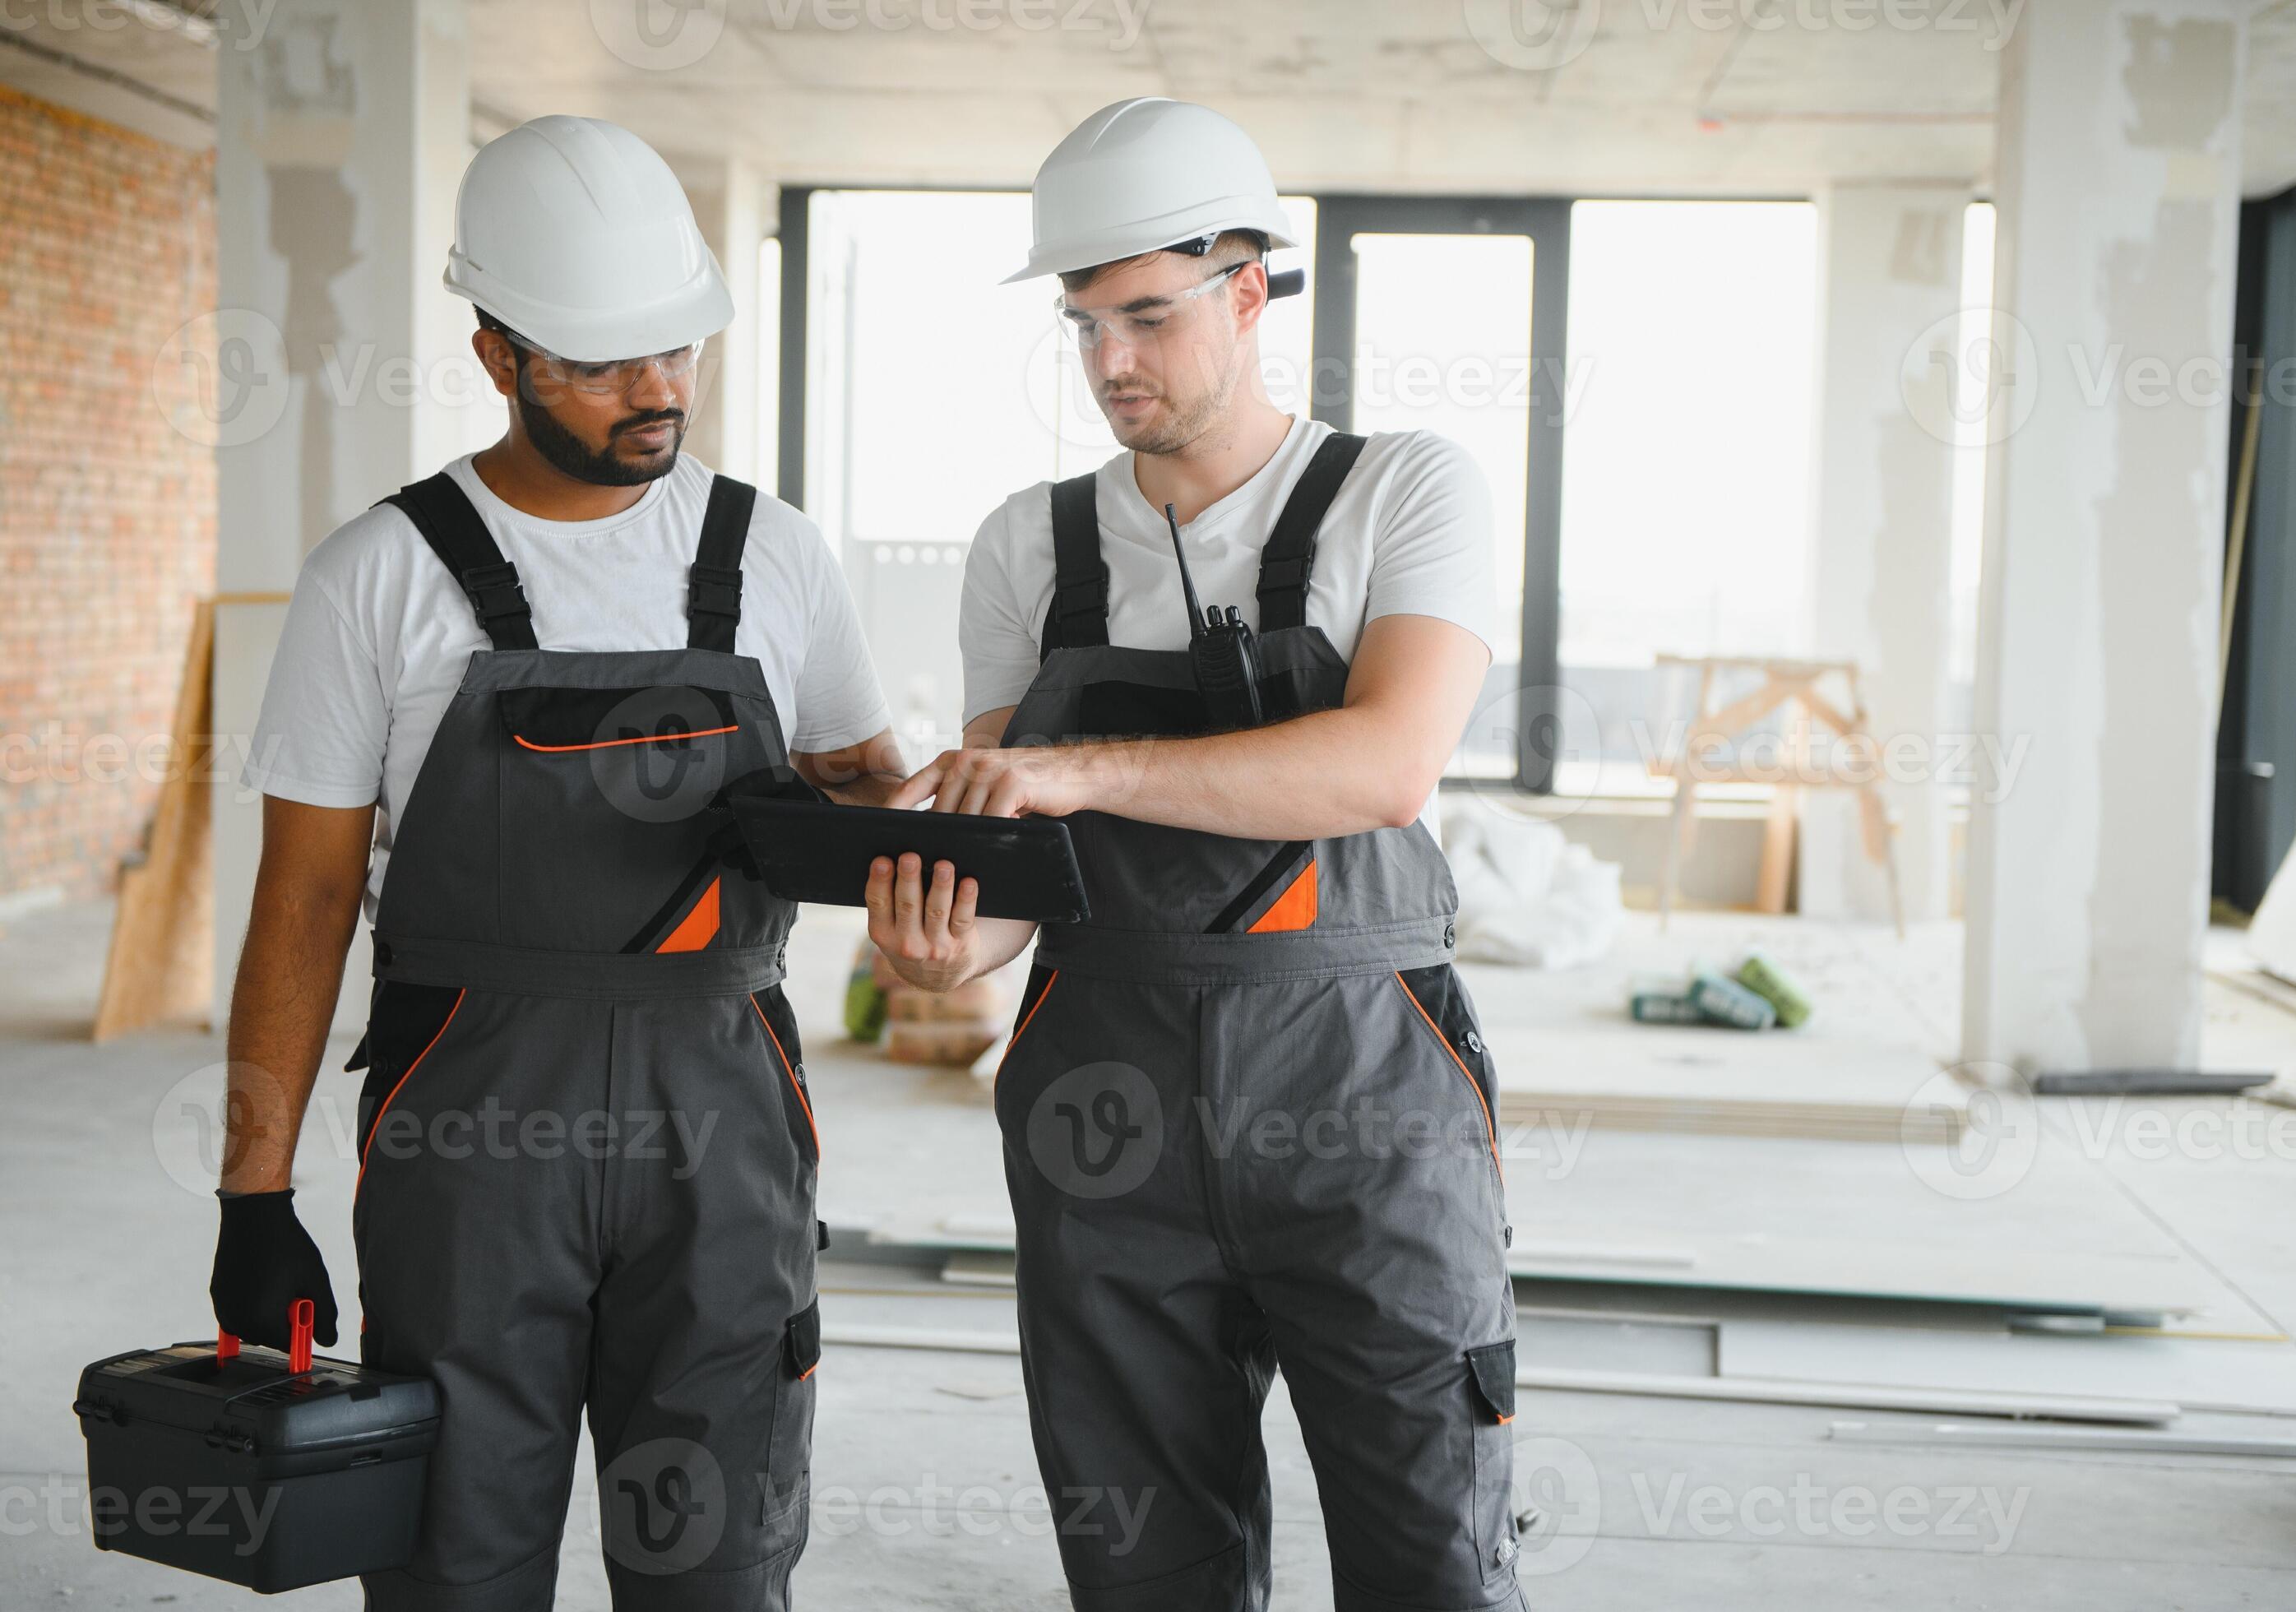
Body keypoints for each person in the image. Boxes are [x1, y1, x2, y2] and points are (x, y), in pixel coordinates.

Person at [211, 115, 897, 1610]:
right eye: (602, 362)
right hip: (467, 1126)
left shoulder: (774, 554)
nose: (657, 393)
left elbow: (863, 783)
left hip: (721, 1116)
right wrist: (251, 1196)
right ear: (495, 353)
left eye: (676, 349)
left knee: (717, 1557)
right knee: (456, 1555)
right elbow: (306, 899)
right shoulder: (376, 576)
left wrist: (937, 847)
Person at [863, 96, 1528, 1612]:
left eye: (1148, 316)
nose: (1109, 364)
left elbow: (1381, 766)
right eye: (1083, 321)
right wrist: (934, 942)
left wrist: (1070, 764)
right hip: (1104, 1109)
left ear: (1248, 291)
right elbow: (1003, 887)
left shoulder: (1403, 491)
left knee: (1431, 1545)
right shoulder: (1027, 546)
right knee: (1142, 1563)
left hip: (1361, 1093)